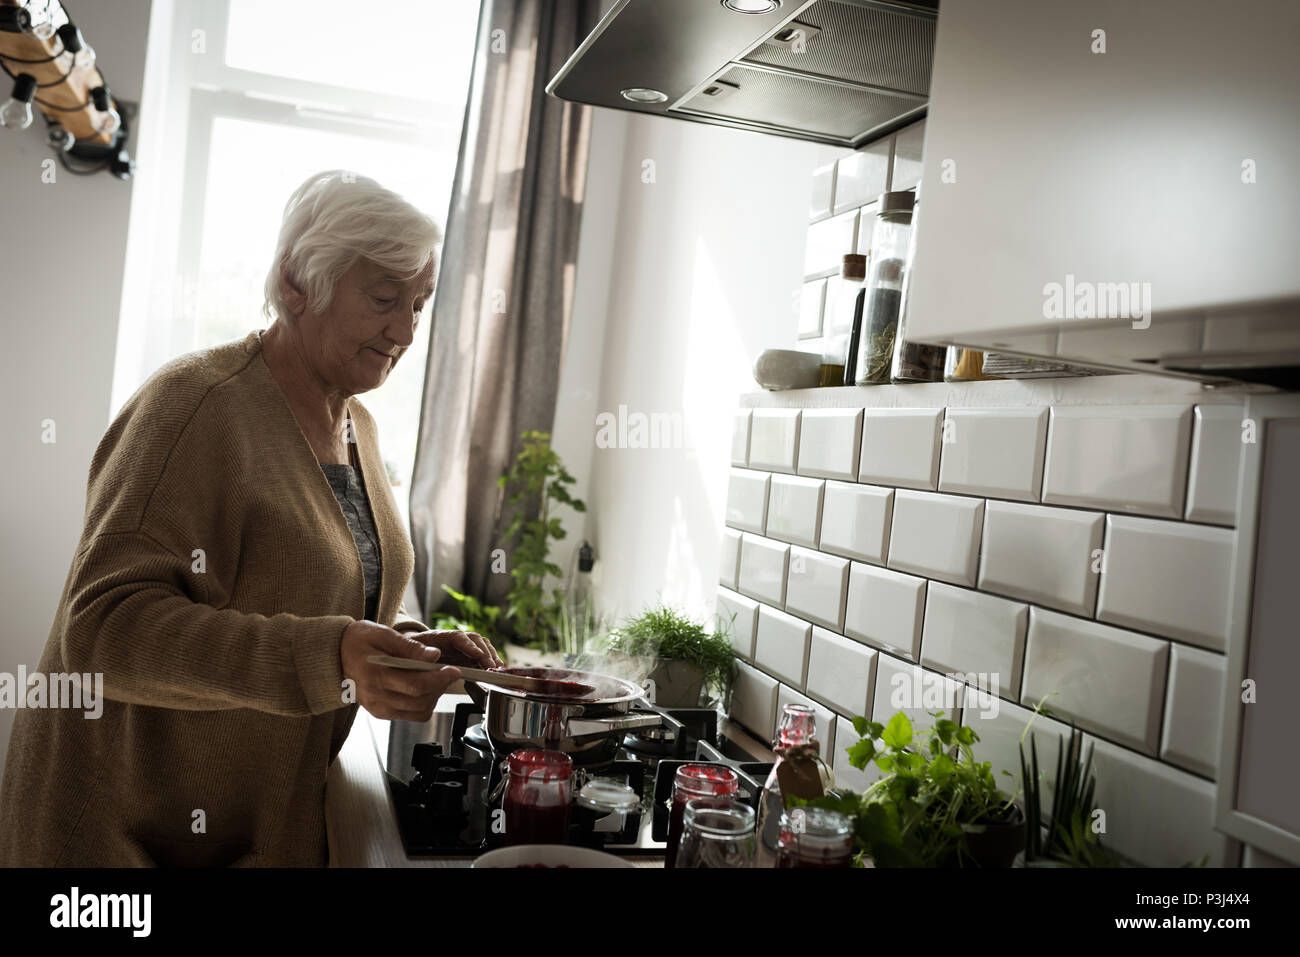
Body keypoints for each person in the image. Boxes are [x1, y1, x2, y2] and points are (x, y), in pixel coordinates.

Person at [0, 170, 501, 866]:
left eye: (420, 304)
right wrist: (331, 655)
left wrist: (400, 648)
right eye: (385, 298)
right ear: (297, 283)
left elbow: (305, 600)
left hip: (241, 832)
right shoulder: (195, 406)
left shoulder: (359, 425)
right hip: (117, 840)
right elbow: (102, 629)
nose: (406, 329)